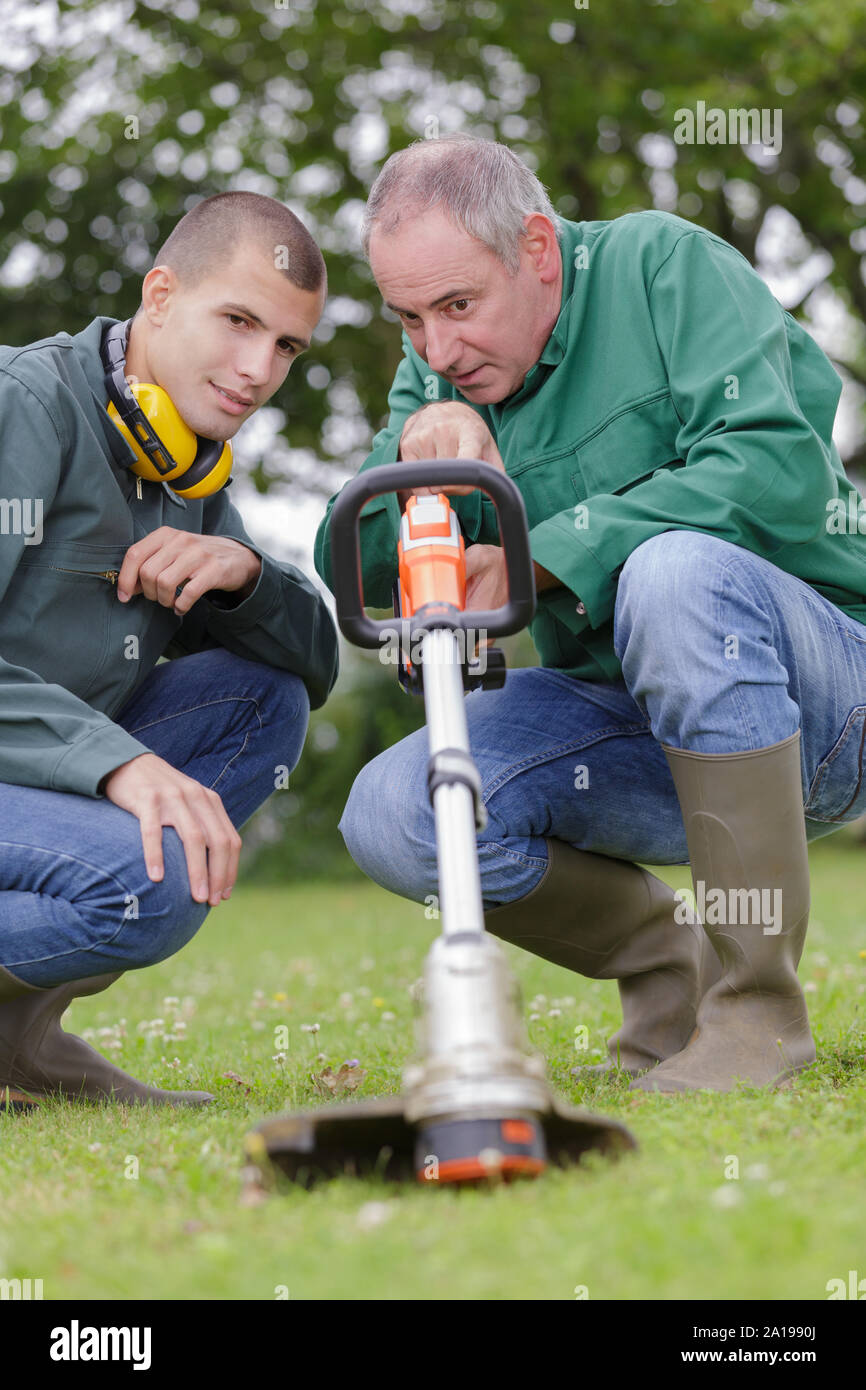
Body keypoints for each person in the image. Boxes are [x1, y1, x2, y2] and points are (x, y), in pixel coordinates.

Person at [315, 133, 866, 1093]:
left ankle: (758, 1016)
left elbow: (774, 467)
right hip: (629, 729)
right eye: (408, 319)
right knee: (396, 816)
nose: (438, 347)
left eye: (457, 306)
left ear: (536, 248)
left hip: (827, 696)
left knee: (673, 573)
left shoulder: (665, 267)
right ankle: (673, 966)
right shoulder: (438, 373)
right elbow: (359, 575)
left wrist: (541, 555)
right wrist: (413, 468)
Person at [0, 191, 338, 1110]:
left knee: (262, 694)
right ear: (159, 296)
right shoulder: (25, 405)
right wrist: (116, 766)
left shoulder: (186, 457)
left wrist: (246, 574)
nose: (258, 369)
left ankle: (13, 1045)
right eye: (239, 322)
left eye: (286, 348)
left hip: (29, 791)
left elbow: (313, 666)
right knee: (144, 888)